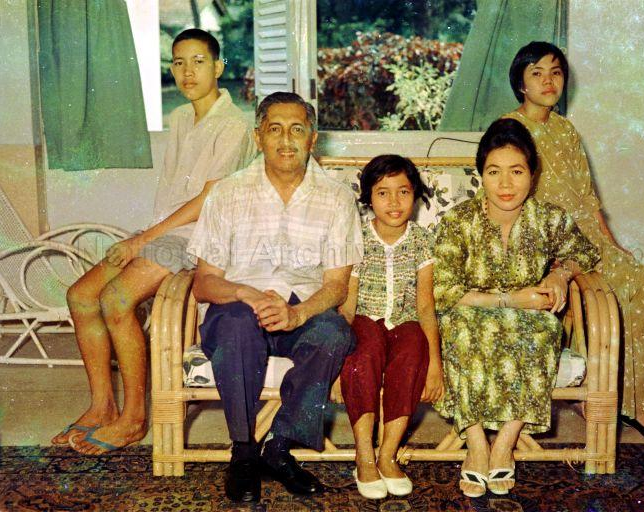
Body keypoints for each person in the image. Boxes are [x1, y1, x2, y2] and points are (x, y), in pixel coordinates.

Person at [56, 29, 255, 454]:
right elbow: (172, 196)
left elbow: (206, 202)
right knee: (80, 296)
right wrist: (141, 237)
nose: (187, 71)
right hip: (164, 232)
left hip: (196, 238)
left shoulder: (236, 125)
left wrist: (143, 240)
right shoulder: (182, 118)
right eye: (179, 62)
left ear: (219, 68)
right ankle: (101, 407)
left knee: (115, 299)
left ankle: (133, 419)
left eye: (199, 61)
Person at [503, 41, 644, 444]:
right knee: (604, 297)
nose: (548, 81)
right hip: (545, 242)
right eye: (537, 73)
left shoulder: (566, 129)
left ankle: (638, 401)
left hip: (587, 238)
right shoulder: (510, 129)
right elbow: (506, 197)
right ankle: (601, 394)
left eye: (555, 72)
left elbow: (587, 198)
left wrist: (613, 245)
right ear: (521, 84)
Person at [188, 92, 363, 503]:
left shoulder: (337, 197)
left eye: (297, 130)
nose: (286, 140)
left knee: (334, 334)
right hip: (236, 309)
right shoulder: (227, 193)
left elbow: (337, 285)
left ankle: (279, 448)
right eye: (275, 129)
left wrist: (299, 314)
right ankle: (244, 453)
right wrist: (244, 293)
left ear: (313, 139)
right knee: (236, 326)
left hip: (300, 306)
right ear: (258, 137)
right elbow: (204, 282)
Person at [433, 118, 599, 497]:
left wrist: (561, 275)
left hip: (527, 319)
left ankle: (505, 442)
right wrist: (512, 299)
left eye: (516, 171)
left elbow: (585, 252)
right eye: (494, 172)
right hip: (468, 311)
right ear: (480, 175)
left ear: (533, 174)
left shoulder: (548, 218)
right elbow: (445, 291)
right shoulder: (459, 220)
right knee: (458, 329)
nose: (505, 185)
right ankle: (476, 444)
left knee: (544, 329)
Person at [331, 155, 444, 499]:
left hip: (406, 320)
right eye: (383, 193)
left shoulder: (424, 240)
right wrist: (335, 365)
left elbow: (426, 305)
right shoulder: (357, 238)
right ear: (368, 199)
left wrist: (435, 365)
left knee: (412, 352)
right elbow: (347, 304)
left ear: (416, 196)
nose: (394, 203)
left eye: (403, 192)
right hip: (366, 317)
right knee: (363, 353)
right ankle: (364, 454)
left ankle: (387, 454)